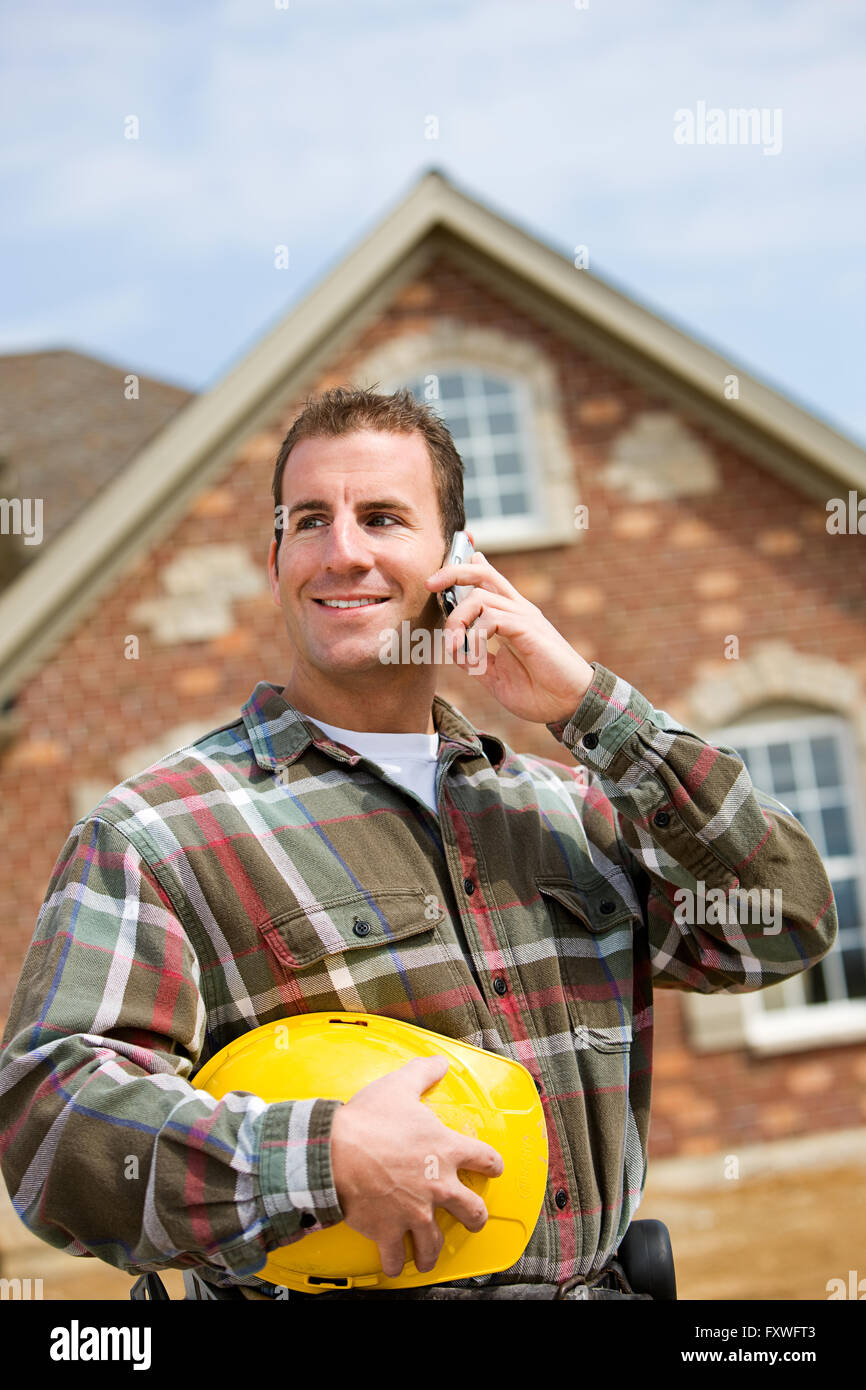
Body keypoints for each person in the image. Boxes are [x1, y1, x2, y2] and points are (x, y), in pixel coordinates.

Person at [0, 387, 837, 1301]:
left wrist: (590, 709)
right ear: (276, 558)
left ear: (457, 561)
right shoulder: (158, 834)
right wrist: (313, 1162)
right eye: (309, 520)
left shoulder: (568, 812)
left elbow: (786, 918)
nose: (343, 552)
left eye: (383, 518)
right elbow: (52, 1118)